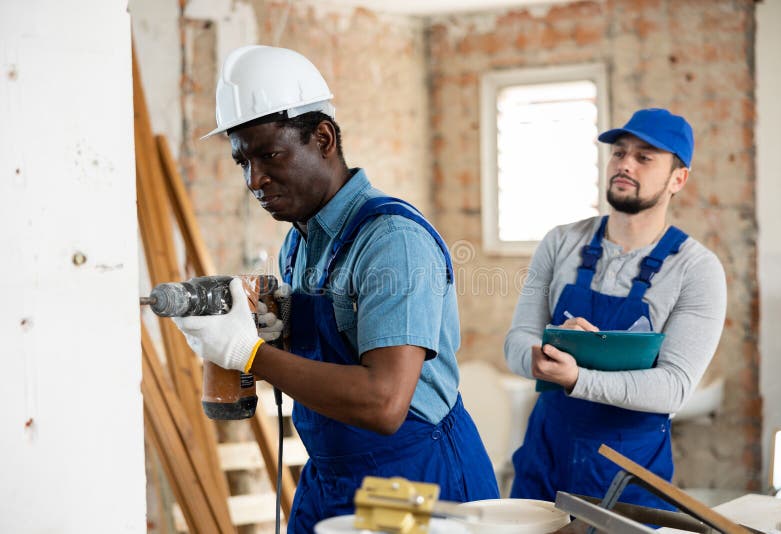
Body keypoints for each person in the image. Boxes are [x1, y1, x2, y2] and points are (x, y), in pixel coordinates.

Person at [172, 45, 499, 532]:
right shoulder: (297, 243)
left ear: (322, 138)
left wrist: (249, 353)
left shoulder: (393, 242)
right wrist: (270, 329)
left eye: (269, 155)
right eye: (243, 162)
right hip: (332, 474)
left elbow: (385, 403)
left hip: (410, 478)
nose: (254, 179)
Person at [504, 108, 727, 510]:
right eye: (619, 152)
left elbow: (674, 387)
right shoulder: (559, 243)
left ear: (679, 178)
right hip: (545, 460)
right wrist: (540, 355)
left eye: (644, 157)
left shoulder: (697, 269)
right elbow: (517, 341)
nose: (625, 164)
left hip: (627, 477)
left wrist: (577, 378)